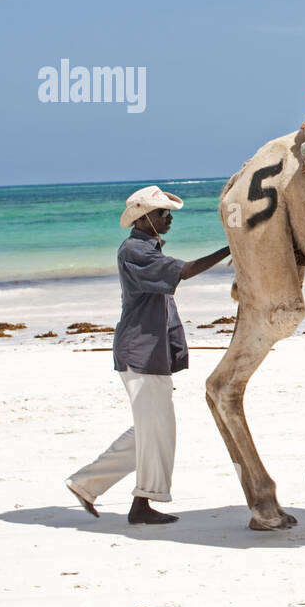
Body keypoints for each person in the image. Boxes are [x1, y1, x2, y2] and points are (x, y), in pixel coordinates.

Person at [65, 186, 230, 525]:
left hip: (148, 351)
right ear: (144, 219)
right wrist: (232, 248)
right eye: (162, 214)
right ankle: (141, 504)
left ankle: (87, 485)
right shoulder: (134, 251)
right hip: (139, 351)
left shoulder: (144, 247)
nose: (168, 218)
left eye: (168, 213)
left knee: (150, 430)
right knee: (156, 430)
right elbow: (182, 272)